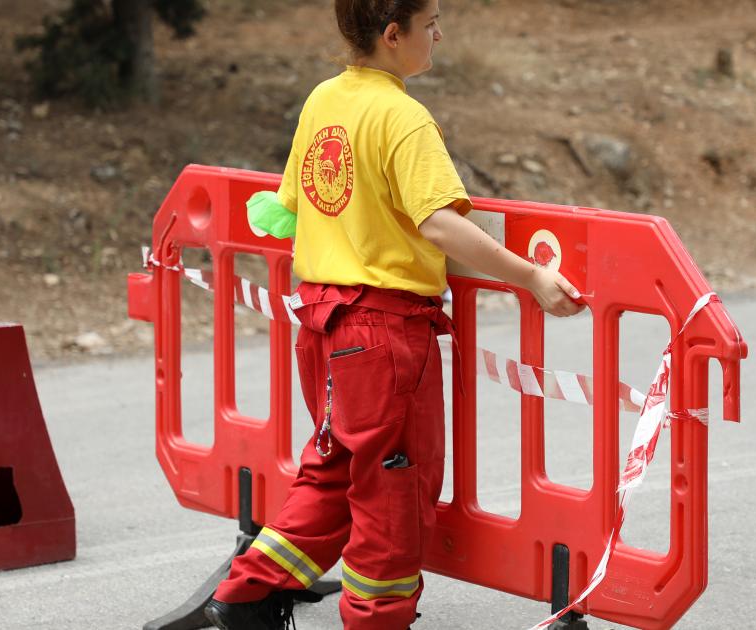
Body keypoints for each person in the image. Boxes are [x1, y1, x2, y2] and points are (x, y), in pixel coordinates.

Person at [205, 1, 585, 628]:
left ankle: (243, 597)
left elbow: (298, 203)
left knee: (334, 472)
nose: (439, 32)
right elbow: (438, 221)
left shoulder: (323, 101)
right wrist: (531, 276)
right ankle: (377, 620)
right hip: (383, 333)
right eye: (430, 21)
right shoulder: (403, 118)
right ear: (392, 34)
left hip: (325, 325)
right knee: (392, 493)